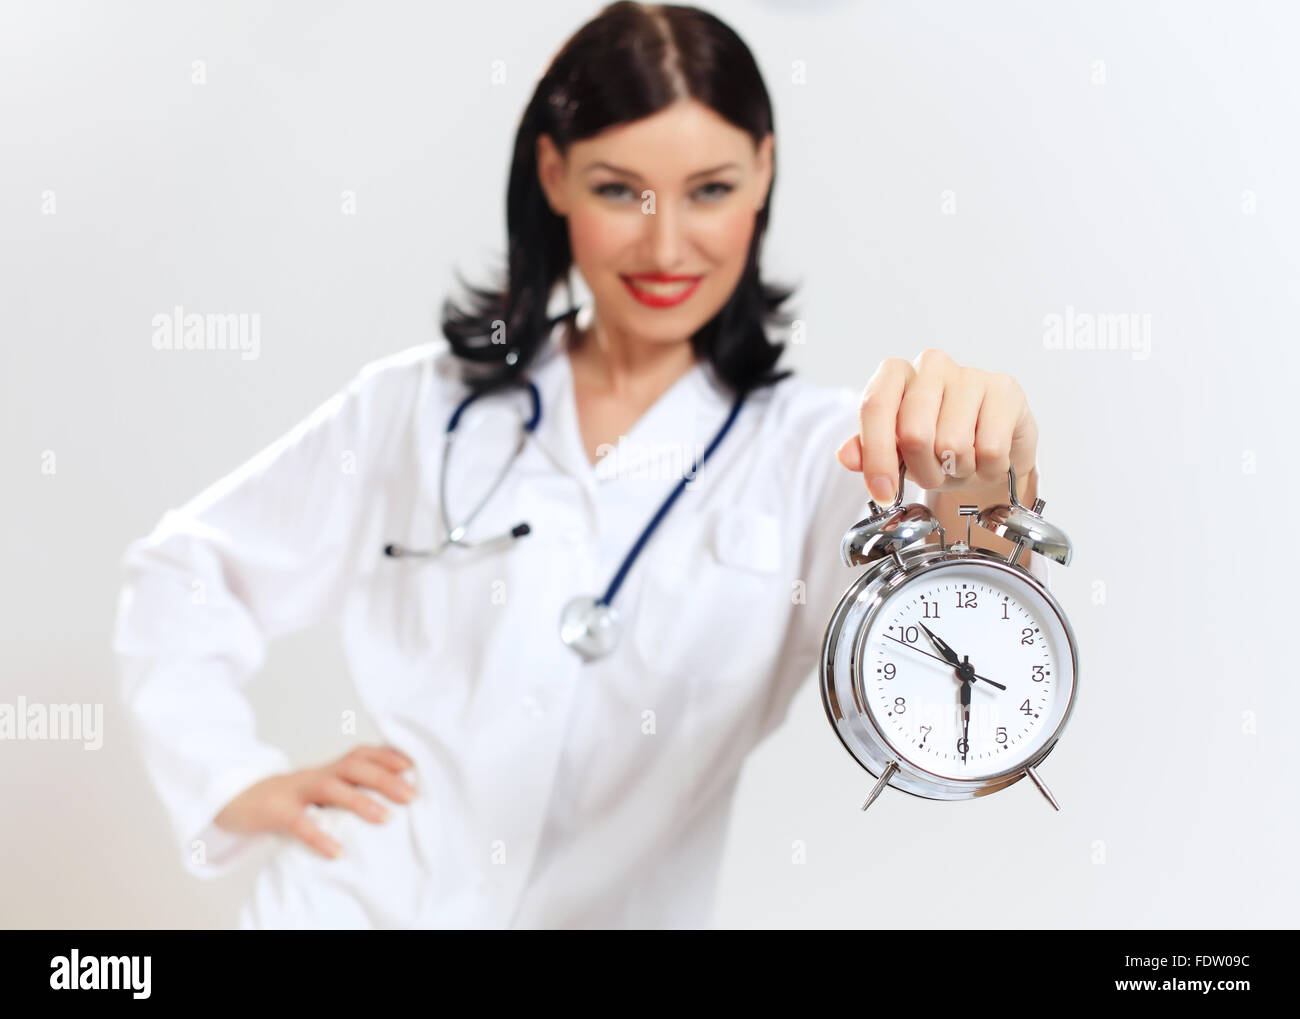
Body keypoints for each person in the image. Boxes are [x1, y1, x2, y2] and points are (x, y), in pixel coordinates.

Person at [112, 1, 1050, 929]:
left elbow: (954, 647)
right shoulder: (419, 407)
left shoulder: (819, 457)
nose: (666, 243)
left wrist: (980, 486)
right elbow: (183, 573)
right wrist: (230, 780)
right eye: (618, 191)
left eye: (710, 189)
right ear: (553, 177)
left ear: (763, 172)